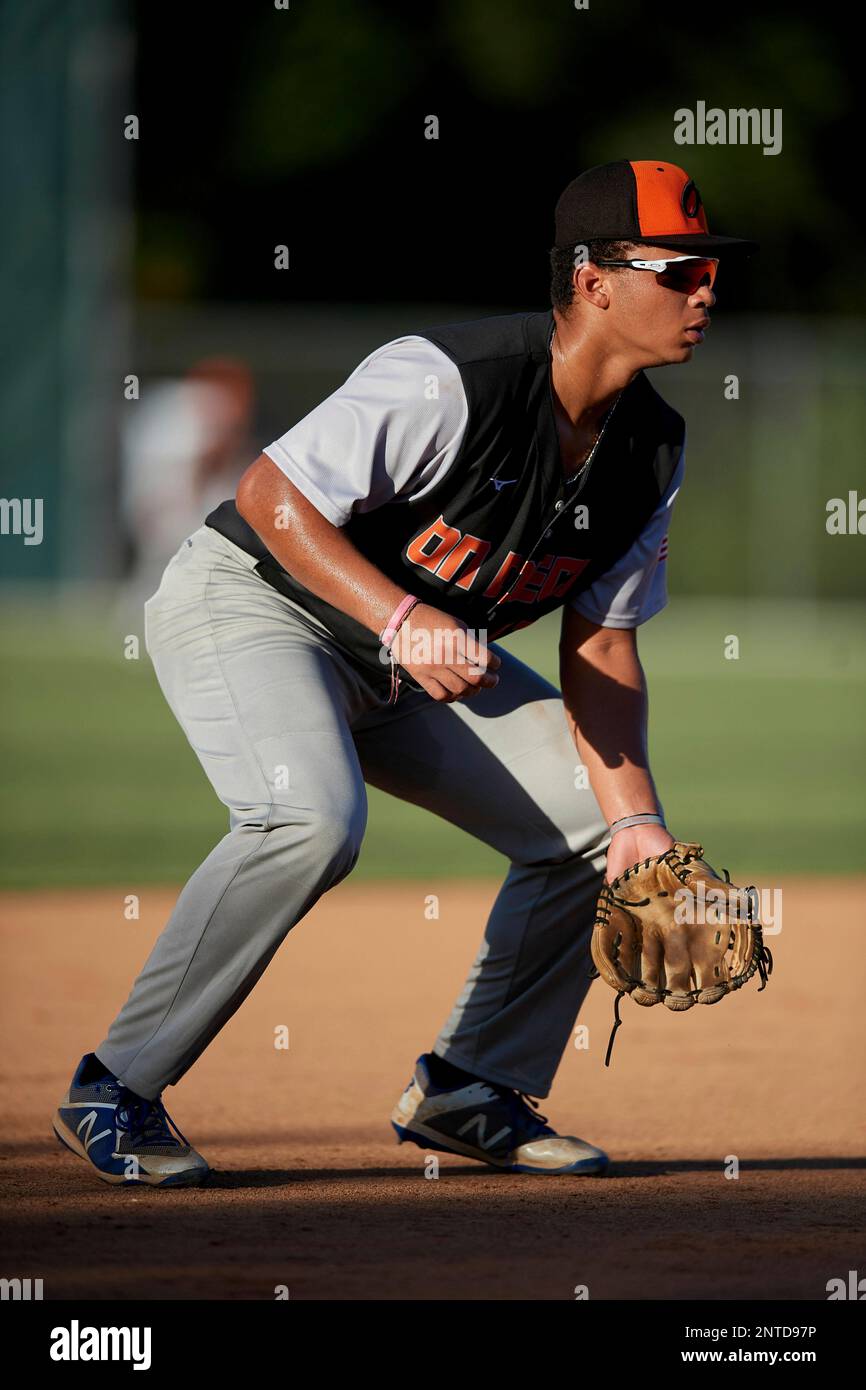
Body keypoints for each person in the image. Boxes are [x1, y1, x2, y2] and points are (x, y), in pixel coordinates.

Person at [53, 160, 755, 1185]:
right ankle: (113, 1086)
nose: (703, 291)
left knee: (592, 829)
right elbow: (266, 491)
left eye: (708, 271)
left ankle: (470, 1088)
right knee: (310, 821)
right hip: (255, 604)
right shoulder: (448, 378)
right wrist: (400, 613)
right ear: (593, 281)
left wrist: (639, 819)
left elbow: (601, 645)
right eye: (676, 269)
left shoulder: (651, 450)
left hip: (408, 661)